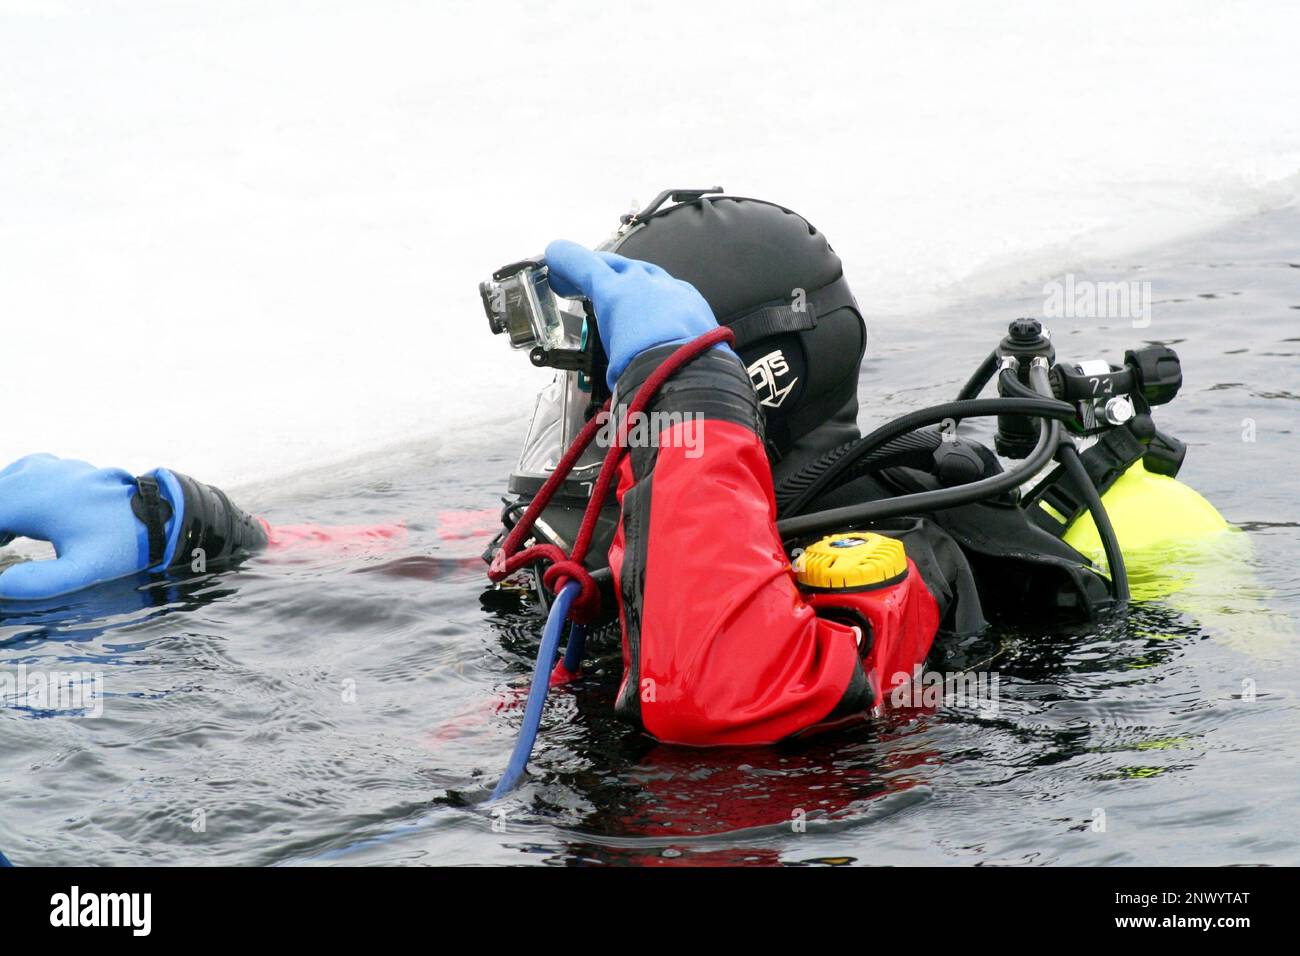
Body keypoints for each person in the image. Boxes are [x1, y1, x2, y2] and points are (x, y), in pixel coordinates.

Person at [0, 193, 1214, 746]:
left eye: (608, 392)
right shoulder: (623, 529)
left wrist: (686, 404)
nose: (587, 426)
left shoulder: (913, 557)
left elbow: (724, 693)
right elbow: (432, 569)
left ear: (748, 387)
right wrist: (203, 530)